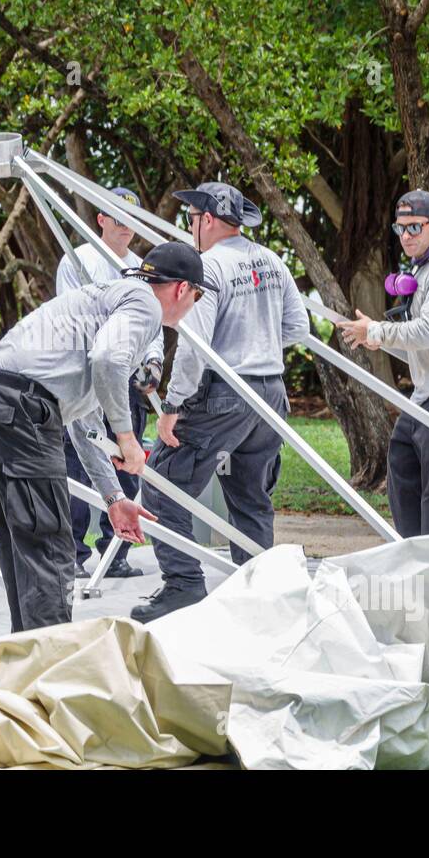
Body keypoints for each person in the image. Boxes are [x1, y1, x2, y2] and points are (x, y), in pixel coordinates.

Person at [0, 242, 213, 633]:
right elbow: (109, 359)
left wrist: (114, 498)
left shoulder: (102, 303)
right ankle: (52, 665)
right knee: (49, 547)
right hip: (21, 406)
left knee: (22, 545)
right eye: (196, 297)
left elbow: (82, 421)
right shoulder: (143, 303)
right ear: (183, 289)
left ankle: (28, 653)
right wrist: (129, 438)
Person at [132, 182, 311, 623]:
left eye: (191, 218)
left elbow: (194, 346)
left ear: (207, 220)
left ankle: (183, 585)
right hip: (270, 391)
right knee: (250, 495)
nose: (189, 226)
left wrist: (172, 405)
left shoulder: (207, 268)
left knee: (161, 486)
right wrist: (258, 342)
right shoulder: (271, 261)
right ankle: (258, 591)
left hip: (224, 391)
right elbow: (298, 328)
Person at [337, 190, 429, 537]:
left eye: (415, 227)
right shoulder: (425, 267)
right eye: (400, 229)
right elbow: (425, 344)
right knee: (401, 464)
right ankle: (412, 552)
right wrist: (376, 338)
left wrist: (379, 331)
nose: (407, 236)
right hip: (426, 394)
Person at [54, 186, 163, 580]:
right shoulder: (78, 261)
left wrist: (154, 361)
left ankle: (115, 552)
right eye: (117, 217)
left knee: (126, 465)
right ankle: (71, 554)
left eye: (131, 219)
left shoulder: (142, 266)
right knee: (80, 464)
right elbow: (70, 317)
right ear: (100, 219)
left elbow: (154, 320)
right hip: (87, 379)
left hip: (128, 383)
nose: (125, 226)